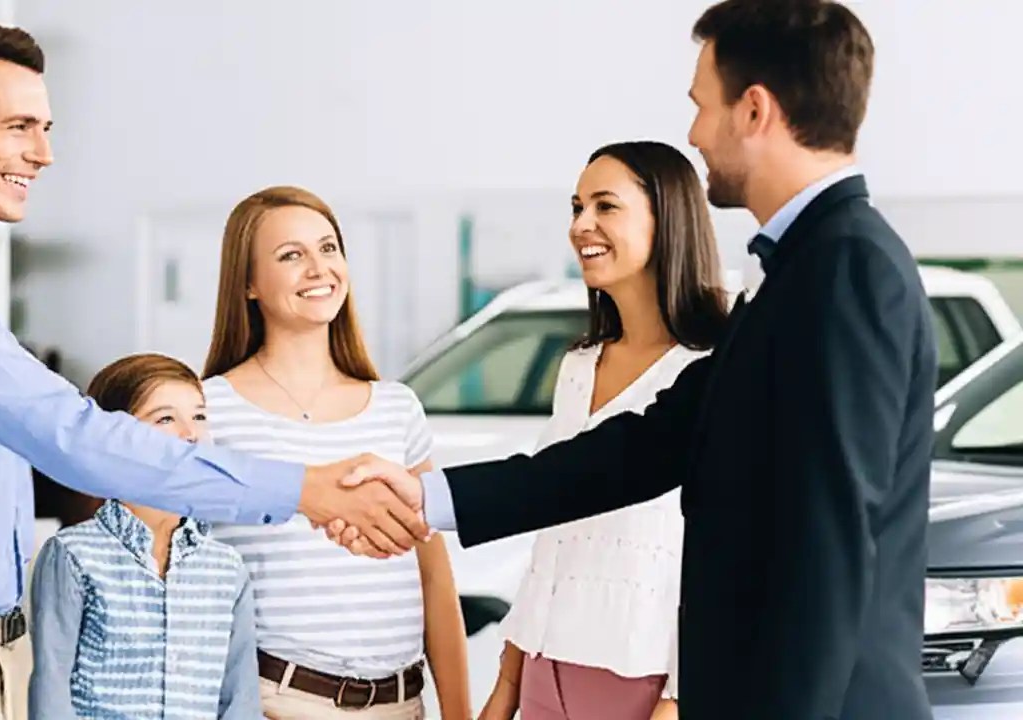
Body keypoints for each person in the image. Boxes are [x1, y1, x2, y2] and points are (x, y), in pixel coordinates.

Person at [0, 15, 424, 719]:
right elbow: (70, 435)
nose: (44, 154)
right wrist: (306, 487)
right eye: (19, 127)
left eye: (47, 128)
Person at [336, 2, 937, 718]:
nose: (693, 133)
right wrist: (428, 497)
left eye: (700, 105)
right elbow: (645, 447)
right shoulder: (797, 273)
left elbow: (828, 549)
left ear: (754, 111)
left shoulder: (845, 271)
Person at [479, 142, 727, 720]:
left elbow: (715, 556)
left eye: (605, 206)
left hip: (641, 682)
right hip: (545, 670)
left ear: (667, 220)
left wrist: (677, 701)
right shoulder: (578, 366)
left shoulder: (715, 367)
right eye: (576, 206)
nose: (580, 225)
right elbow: (553, 537)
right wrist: (507, 686)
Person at [203, 186, 471, 719]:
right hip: (277, 703)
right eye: (290, 255)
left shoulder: (397, 408)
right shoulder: (209, 409)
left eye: (328, 248)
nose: (318, 268)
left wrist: (459, 715)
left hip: (401, 705)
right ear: (249, 284)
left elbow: (434, 577)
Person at [28, 354, 259, 719]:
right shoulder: (74, 556)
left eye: (199, 416)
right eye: (165, 418)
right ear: (113, 439)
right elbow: (52, 691)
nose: (190, 433)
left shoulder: (226, 568)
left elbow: (240, 700)